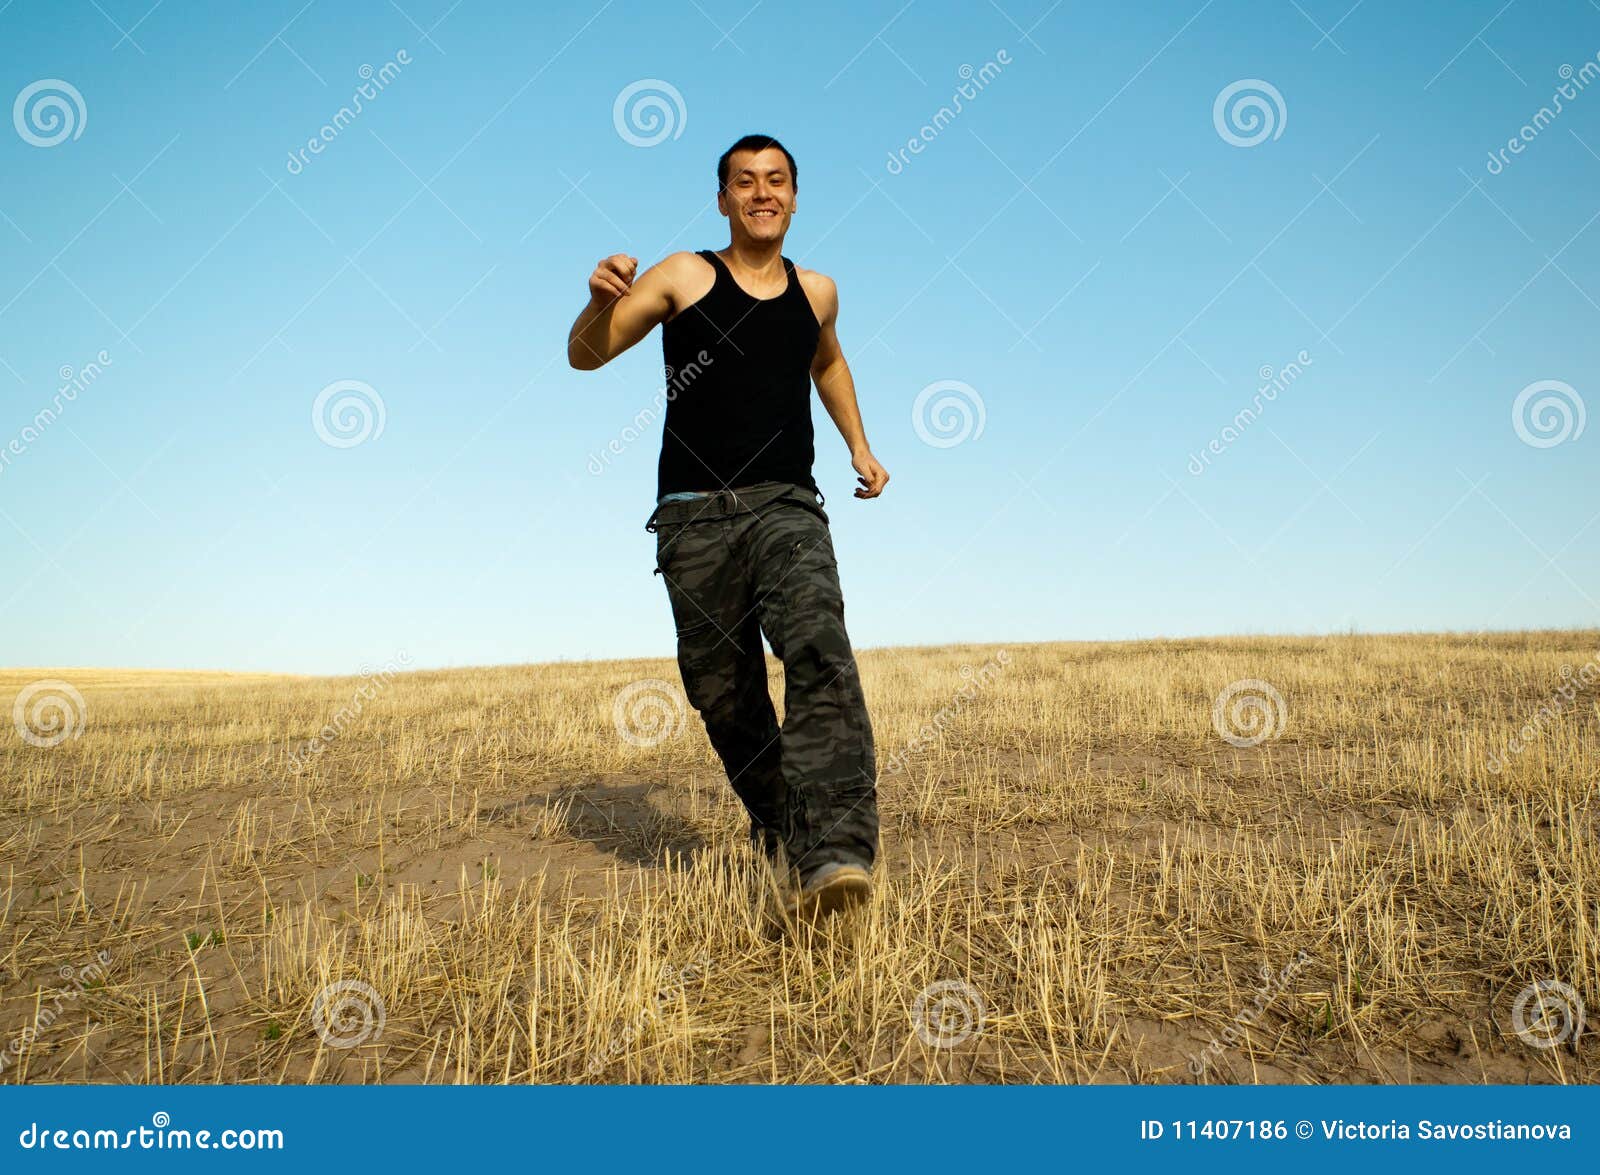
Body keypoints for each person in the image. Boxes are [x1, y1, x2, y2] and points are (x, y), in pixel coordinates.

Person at [567, 134, 889, 918]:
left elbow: (828, 363)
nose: (761, 192)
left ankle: (839, 850)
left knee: (816, 641)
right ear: (723, 199)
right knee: (725, 694)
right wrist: (598, 301)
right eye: (744, 182)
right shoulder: (684, 274)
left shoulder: (817, 293)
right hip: (691, 515)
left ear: (795, 195)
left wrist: (860, 444)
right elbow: (586, 355)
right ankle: (787, 832)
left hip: (787, 504)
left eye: (775, 180)